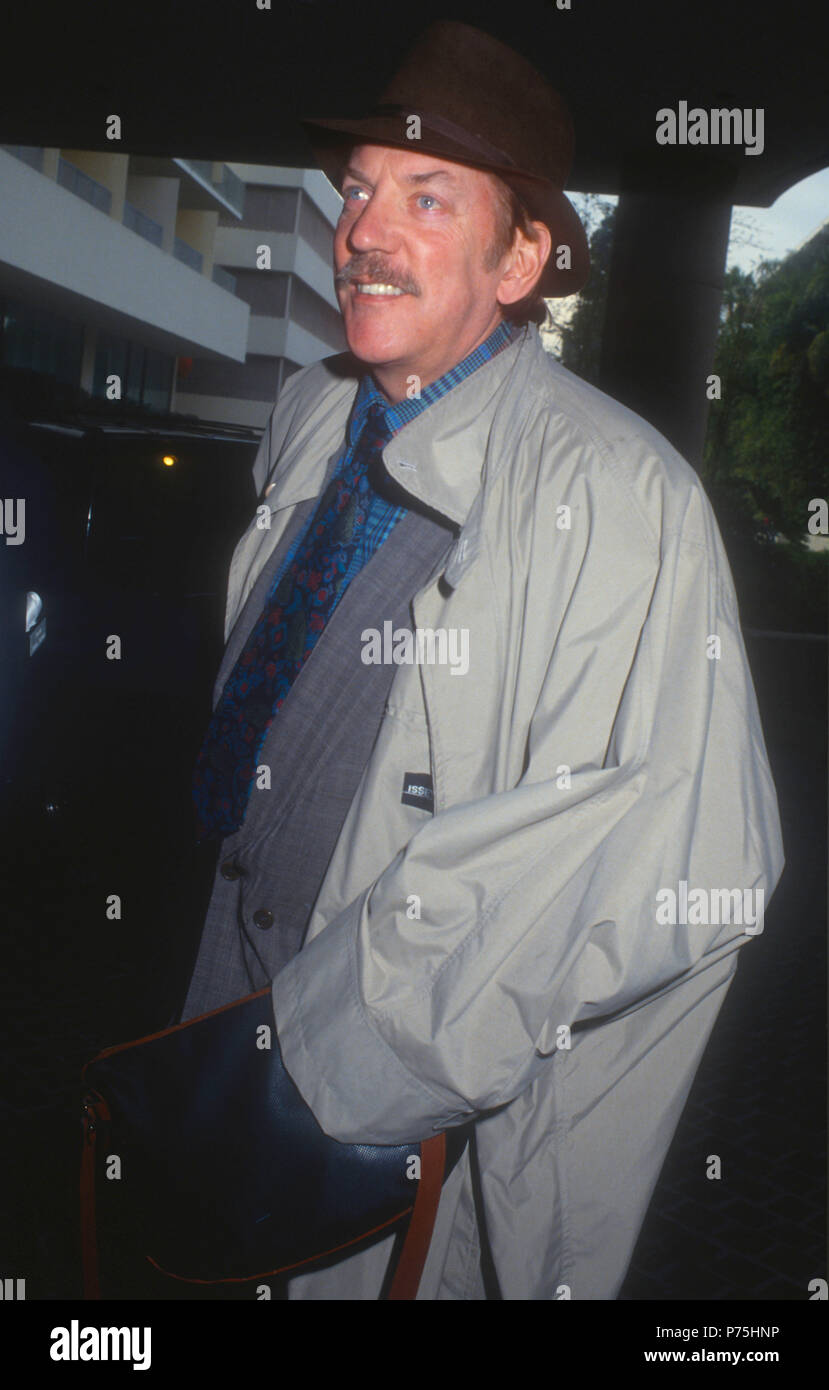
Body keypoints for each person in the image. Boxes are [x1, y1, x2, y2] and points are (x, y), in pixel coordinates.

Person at [179, 20, 784, 1299]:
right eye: (358, 191)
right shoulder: (311, 409)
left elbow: (682, 848)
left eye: (425, 197)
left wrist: (342, 1046)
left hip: (392, 1075)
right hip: (224, 975)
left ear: (518, 263)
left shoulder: (619, 492)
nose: (362, 230)